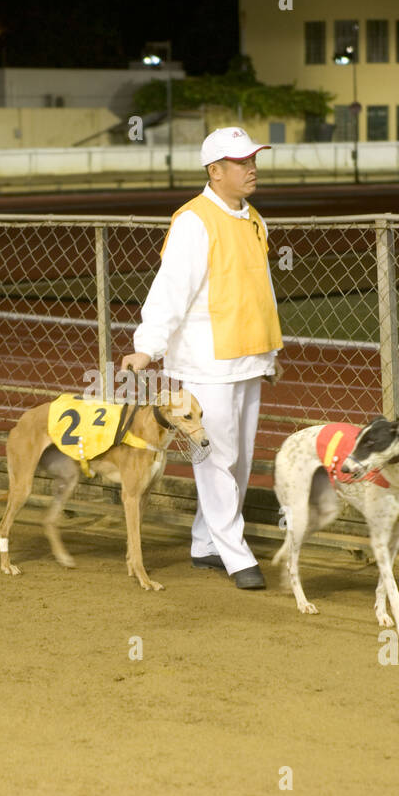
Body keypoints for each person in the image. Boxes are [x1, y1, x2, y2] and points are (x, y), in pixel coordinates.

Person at [120, 127, 282, 590]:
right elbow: (170, 291)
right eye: (240, 161)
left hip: (248, 360)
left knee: (242, 460)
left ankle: (205, 543)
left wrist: (270, 351)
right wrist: (147, 346)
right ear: (215, 171)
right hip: (203, 364)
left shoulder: (254, 219)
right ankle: (235, 553)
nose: (252, 167)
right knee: (215, 457)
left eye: (253, 159)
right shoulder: (193, 221)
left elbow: (261, 291)